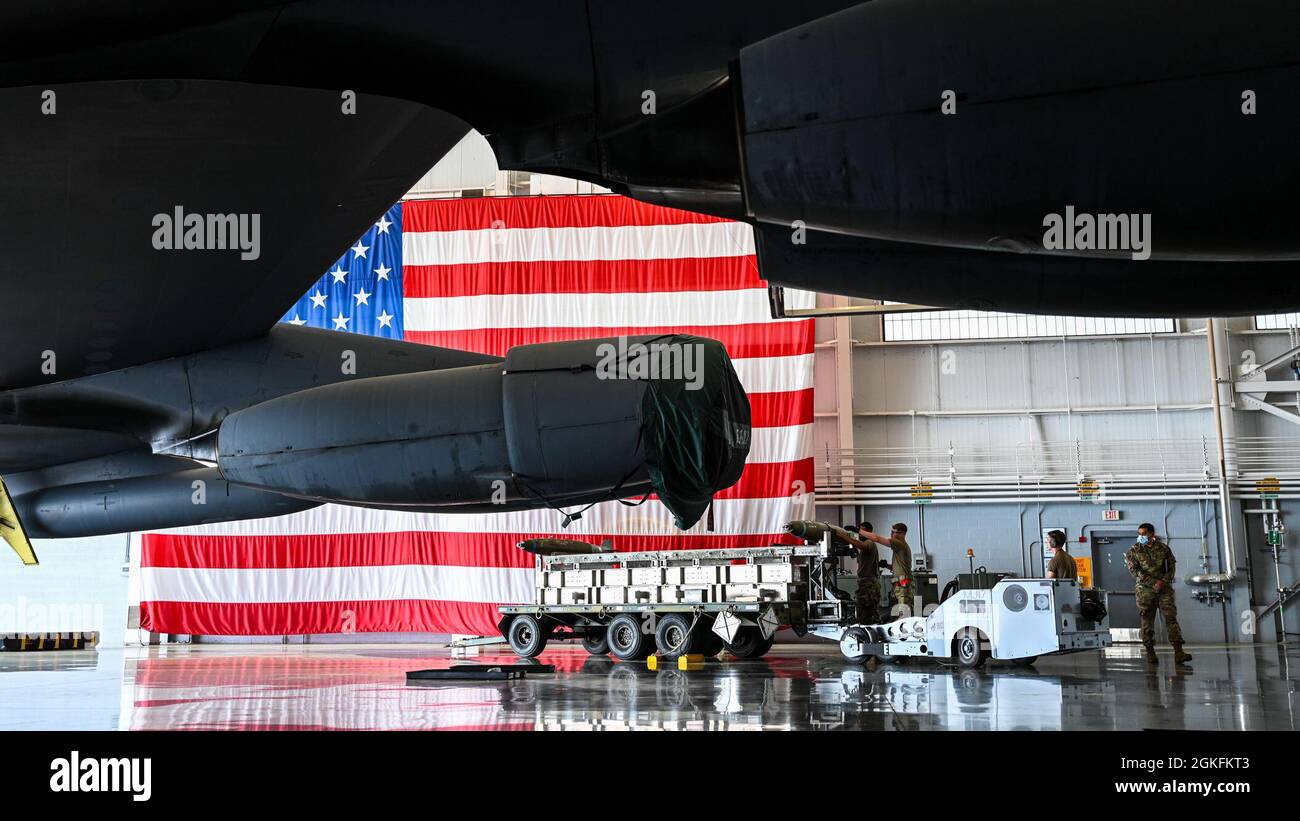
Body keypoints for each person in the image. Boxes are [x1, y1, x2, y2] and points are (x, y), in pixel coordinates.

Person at [1124, 523, 1192, 667]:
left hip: (1164, 589)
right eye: (1139, 533)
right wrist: (1153, 581)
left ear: (1152, 534)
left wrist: (1163, 581)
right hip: (1145, 590)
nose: (1141, 536)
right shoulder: (1134, 550)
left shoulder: (1164, 548)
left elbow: (1171, 567)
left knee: (1170, 617)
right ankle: (1150, 652)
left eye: (1144, 533)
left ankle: (1179, 652)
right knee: (1147, 620)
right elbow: (1134, 571)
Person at [858, 523, 915, 619]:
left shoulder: (899, 544)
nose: (892, 534)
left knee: (904, 613)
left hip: (902, 584)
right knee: (897, 613)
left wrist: (859, 531)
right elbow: (899, 568)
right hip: (900, 583)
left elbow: (876, 538)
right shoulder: (901, 548)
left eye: (895, 532)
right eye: (891, 532)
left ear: (903, 534)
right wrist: (887, 566)